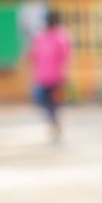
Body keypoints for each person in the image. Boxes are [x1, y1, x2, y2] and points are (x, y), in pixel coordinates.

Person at [26, 10, 74, 144]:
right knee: (40, 100)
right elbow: (34, 55)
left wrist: (63, 73)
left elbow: (65, 57)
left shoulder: (61, 37)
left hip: (57, 77)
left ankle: (55, 123)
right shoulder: (40, 37)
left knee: (55, 103)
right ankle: (52, 122)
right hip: (42, 77)